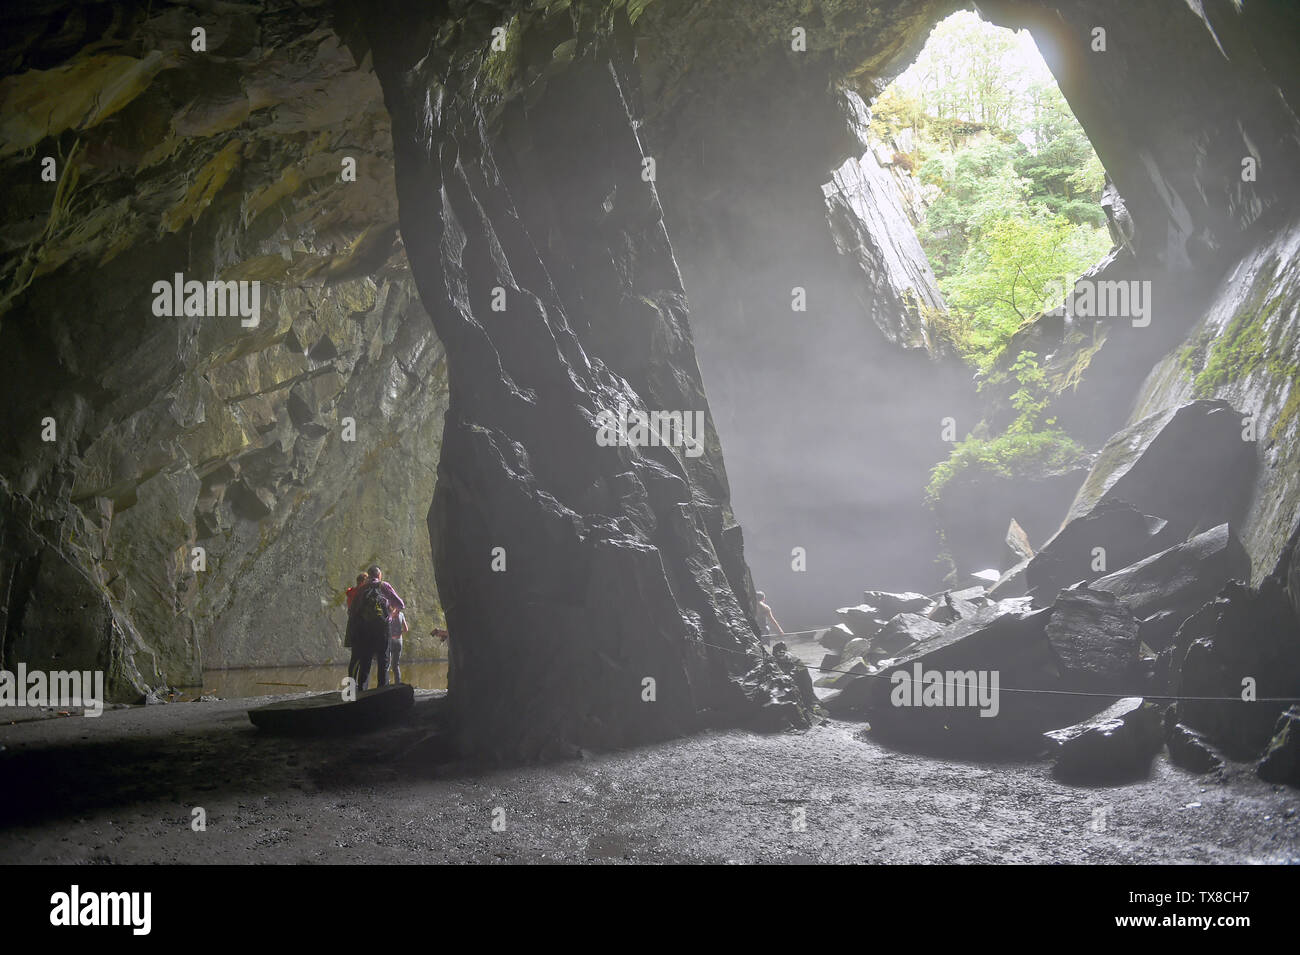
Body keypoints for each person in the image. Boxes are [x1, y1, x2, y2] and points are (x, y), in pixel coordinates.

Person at [349, 565, 405, 690]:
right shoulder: (384, 586)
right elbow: (400, 604)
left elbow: (353, 610)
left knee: (366, 661)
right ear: (379, 575)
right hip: (383, 628)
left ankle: (362, 691)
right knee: (383, 660)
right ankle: (382, 691)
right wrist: (391, 614)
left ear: (368, 576)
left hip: (366, 629)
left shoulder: (362, 589)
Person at [344, 572, 369, 682]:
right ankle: (361, 685)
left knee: (355, 657)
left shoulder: (351, 592)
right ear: (363, 581)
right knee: (363, 657)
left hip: (352, 625)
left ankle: (351, 684)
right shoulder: (362, 592)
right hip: (362, 625)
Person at [388, 607, 409, 685]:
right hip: (399, 641)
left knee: (387, 664)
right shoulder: (401, 614)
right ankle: (397, 684)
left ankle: (385, 684)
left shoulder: (389, 615)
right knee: (395, 665)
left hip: (390, 641)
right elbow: (406, 629)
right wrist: (399, 633)